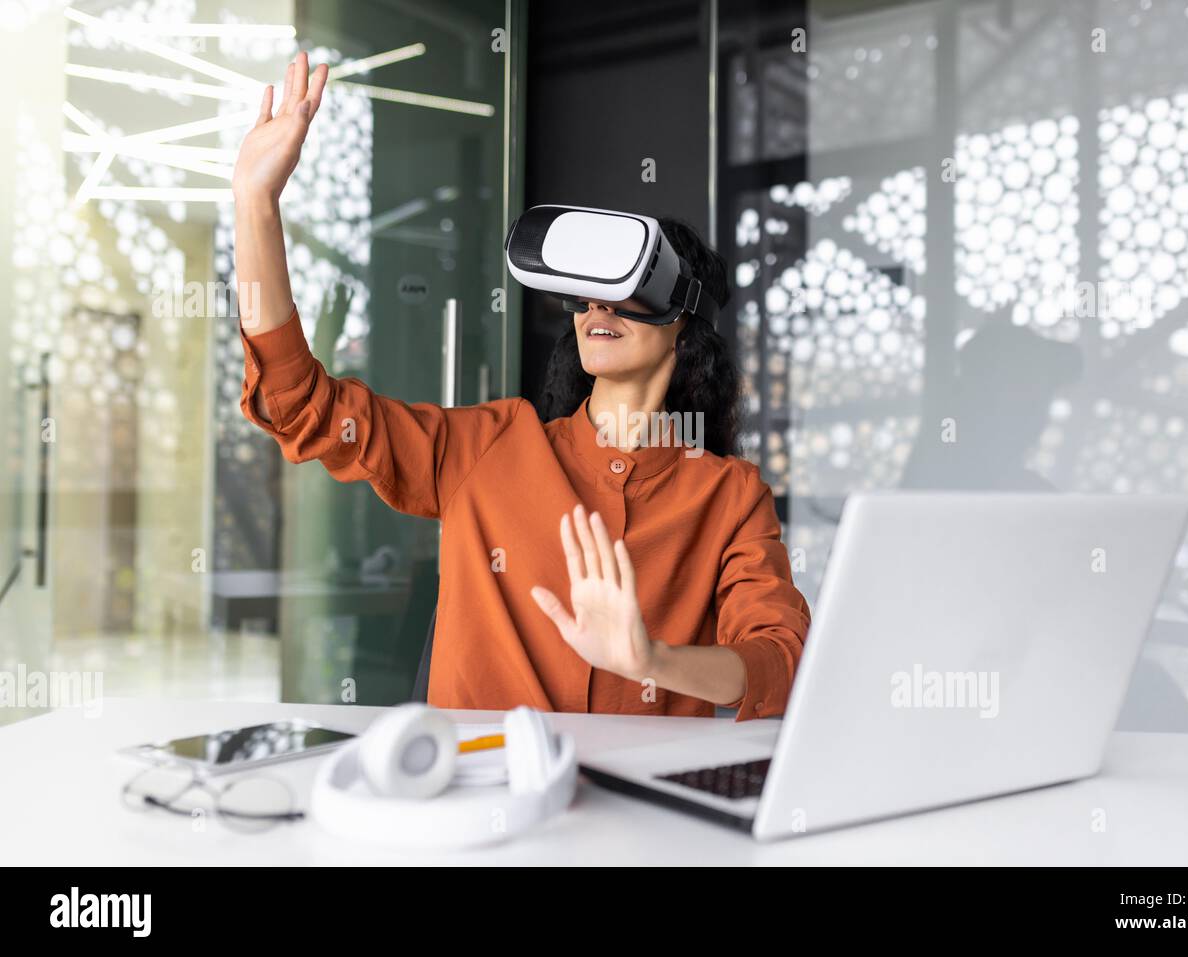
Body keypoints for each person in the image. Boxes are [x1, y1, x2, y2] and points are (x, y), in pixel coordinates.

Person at [231, 54, 809, 719]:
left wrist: (653, 660)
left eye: (628, 286)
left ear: (684, 319)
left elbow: (780, 661)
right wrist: (256, 203)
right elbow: (299, 404)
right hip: (479, 796)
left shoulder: (730, 499)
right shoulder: (490, 448)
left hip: (638, 815)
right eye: (586, 291)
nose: (600, 305)